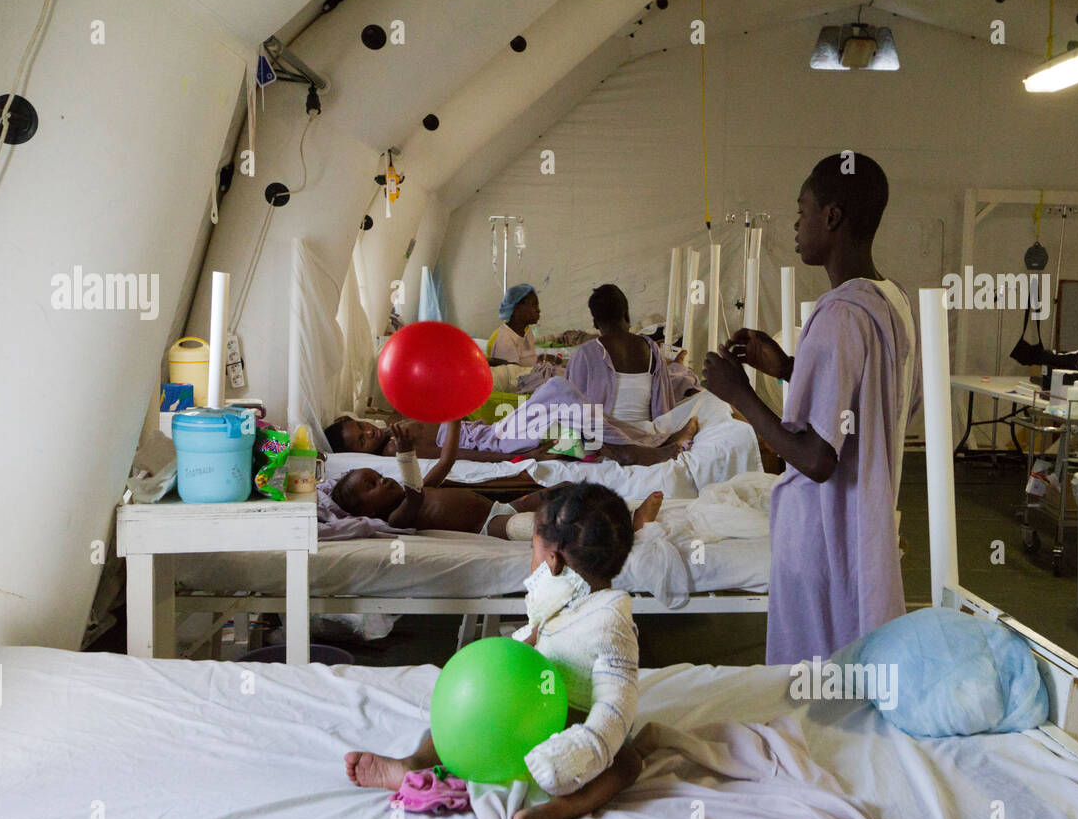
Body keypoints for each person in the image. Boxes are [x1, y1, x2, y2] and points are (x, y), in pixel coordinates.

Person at [702, 152, 920, 665]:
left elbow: (818, 459)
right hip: (866, 515)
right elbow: (870, 404)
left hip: (825, 529)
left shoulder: (841, 312)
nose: (795, 225)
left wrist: (740, 394)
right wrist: (784, 368)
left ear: (832, 216)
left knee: (812, 676)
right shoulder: (891, 302)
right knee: (854, 663)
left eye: (802, 211)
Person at [344, 482, 646, 819]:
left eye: (533, 551)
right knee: (453, 721)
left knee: (625, 761)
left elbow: (616, 705)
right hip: (524, 711)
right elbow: (530, 642)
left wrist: (589, 744)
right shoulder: (557, 598)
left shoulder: (610, 622)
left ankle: (552, 812)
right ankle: (411, 764)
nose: (530, 562)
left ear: (554, 561)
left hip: (575, 722)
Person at [331, 421, 664, 538]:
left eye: (377, 476)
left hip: (502, 507)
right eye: (372, 486)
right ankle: (630, 528)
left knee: (563, 489)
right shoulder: (397, 517)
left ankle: (617, 508)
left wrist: (455, 418)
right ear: (366, 512)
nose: (383, 482)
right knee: (551, 524)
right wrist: (405, 455)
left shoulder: (418, 487)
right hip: (494, 529)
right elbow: (416, 495)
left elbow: (447, 460)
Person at [326, 376, 699, 467]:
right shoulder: (396, 448)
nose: (368, 432)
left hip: (495, 431)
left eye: (361, 426)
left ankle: (651, 436)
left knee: (556, 387)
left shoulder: (393, 427)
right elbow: (453, 457)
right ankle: (650, 450)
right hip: (498, 445)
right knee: (570, 420)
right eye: (360, 440)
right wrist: (513, 460)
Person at [566, 284, 682, 423]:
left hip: (605, 440)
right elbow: (664, 407)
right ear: (626, 315)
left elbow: (572, 407)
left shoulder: (584, 353)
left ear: (595, 324)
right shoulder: (651, 349)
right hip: (646, 438)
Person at [489, 284, 562, 367]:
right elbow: (514, 376)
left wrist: (539, 360)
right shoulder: (505, 341)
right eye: (534, 305)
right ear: (517, 309)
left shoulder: (526, 331)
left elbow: (527, 360)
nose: (538, 310)